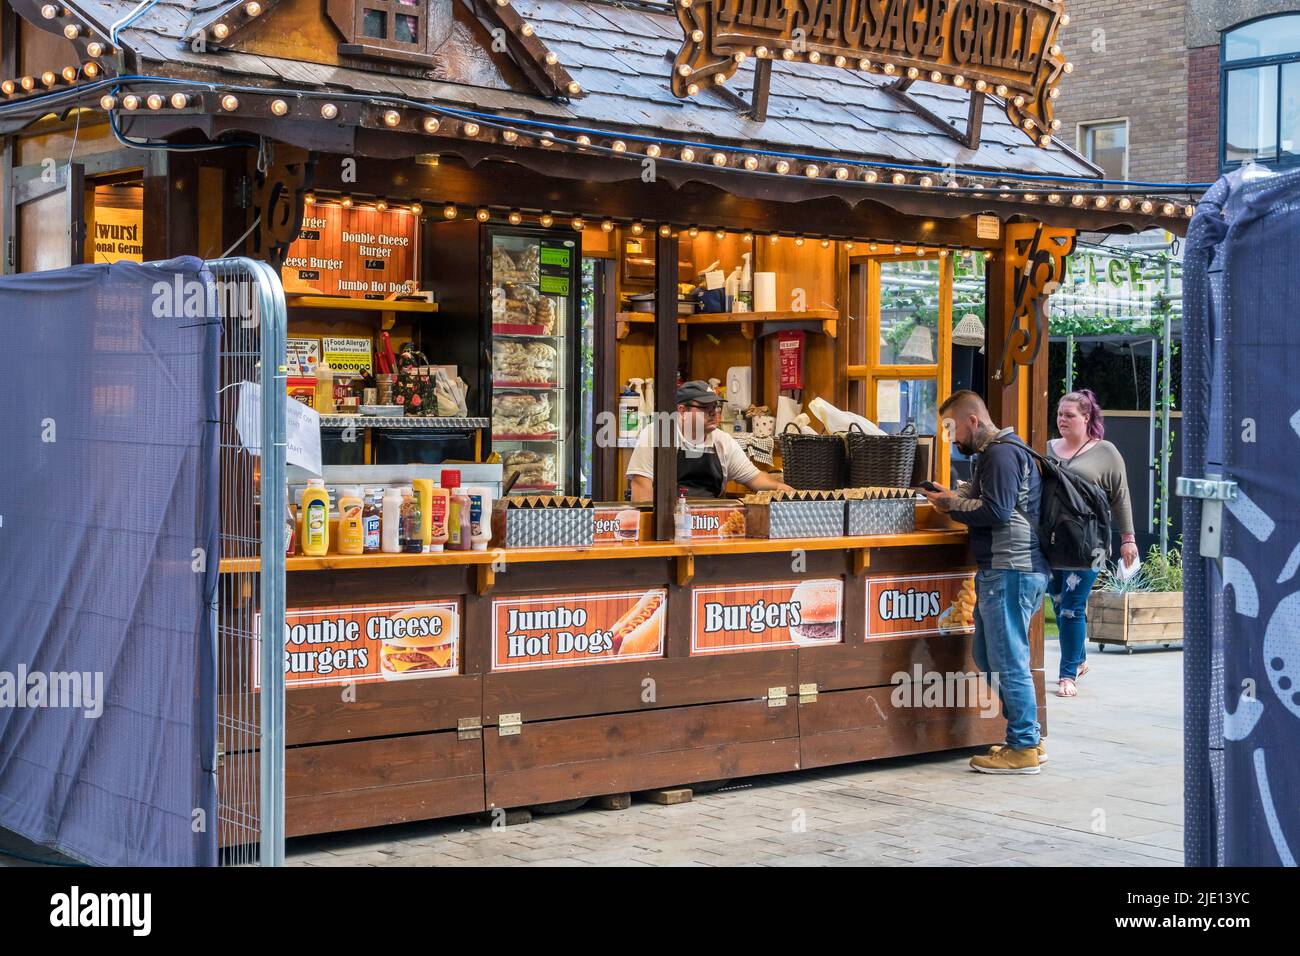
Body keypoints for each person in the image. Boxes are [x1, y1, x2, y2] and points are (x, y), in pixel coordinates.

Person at [921, 390, 1049, 775]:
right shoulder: (999, 453)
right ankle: (1028, 737)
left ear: (973, 420)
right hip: (1009, 570)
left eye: (952, 428)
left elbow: (996, 510)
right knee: (989, 656)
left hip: (1011, 569)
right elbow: (992, 499)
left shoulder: (1000, 453)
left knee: (1007, 660)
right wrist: (955, 495)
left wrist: (950, 505)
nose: (950, 438)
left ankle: (1023, 747)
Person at [1048, 389, 1138, 698]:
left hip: (1093, 544)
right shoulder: (1047, 449)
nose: (1062, 419)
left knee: (1072, 607)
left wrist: (1128, 539)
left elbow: (1121, 497)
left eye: (1069, 415)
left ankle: (1067, 674)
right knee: (1058, 602)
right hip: (1053, 542)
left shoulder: (1106, 452)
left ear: (1086, 418)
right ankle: (1080, 660)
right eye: (1059, 414)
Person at [626, 380, 792, 500]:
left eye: (715, 406)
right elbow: (641, 489)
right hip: (666, 523)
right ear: (682, 411)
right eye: (705, 407)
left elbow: (755, 479)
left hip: (710, 521)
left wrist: (780, 487)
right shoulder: (657, 434)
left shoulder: (723, 441)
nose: (714, 412)